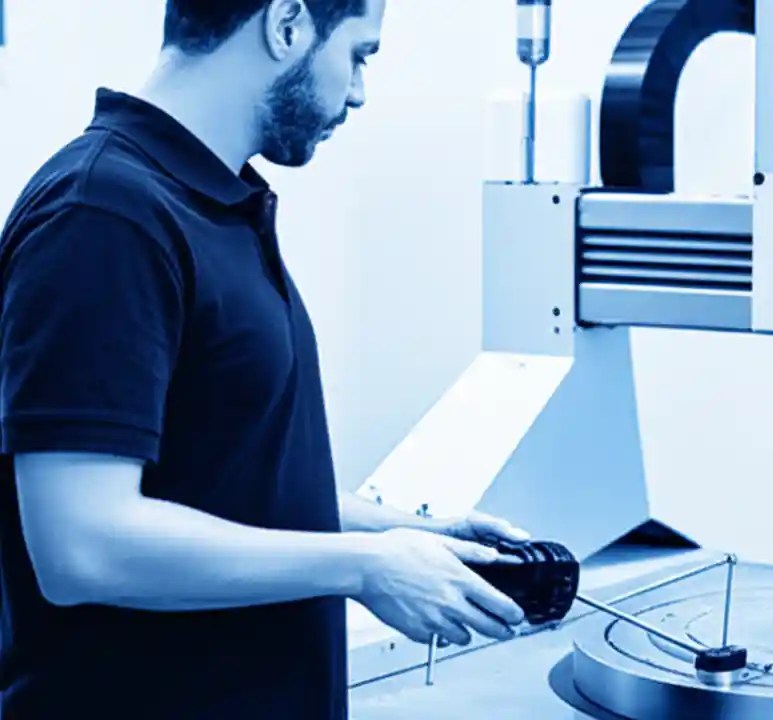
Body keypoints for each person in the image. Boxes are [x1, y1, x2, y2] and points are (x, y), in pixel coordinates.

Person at [0, 1, 531, 718]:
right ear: (287, 24)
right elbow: (83, 545)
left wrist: (405, 535)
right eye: (359, 54)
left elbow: (225, 488)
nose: (359, 91)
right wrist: (364, 568)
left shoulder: (209, 205)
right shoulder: (104, 215)